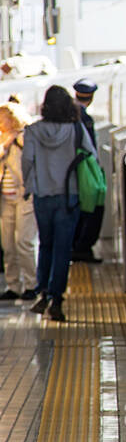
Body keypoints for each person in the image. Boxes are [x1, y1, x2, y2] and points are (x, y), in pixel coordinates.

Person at [22, 85, 96, 322]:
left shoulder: (33, 131)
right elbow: (91, 155)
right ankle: (57, 298)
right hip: (69, 196)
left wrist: (29, 185)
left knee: (46, 244)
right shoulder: (76, 129)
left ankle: (43, 291)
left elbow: (27, 161)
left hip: (43, 196)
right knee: (63, 249)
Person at [0, 102, 37, 301]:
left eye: (1, 118)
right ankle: (13, 285)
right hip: (6, 199)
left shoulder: (25, 137)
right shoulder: (3, 140)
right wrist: (5, 143)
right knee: (8, 244)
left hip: (25, 197)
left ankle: (32, 284)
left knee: (24, 242)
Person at [71, 78, 103, 263]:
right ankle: (81, 248)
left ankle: (78, 246)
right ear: (90, 98)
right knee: (90, 207)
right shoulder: (84, 117)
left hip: (74, 170)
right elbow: (90, 148)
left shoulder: (72, 113)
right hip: (84, 170)